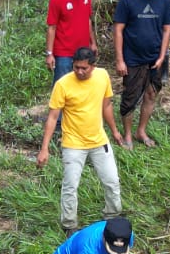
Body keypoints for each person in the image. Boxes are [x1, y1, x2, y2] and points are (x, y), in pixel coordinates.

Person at [37, 46, 124, 233]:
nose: (79, 71)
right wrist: (44, 148)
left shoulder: (102, 76)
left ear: (93, 66)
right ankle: (70, 225)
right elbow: (52, 117)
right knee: (70, 186)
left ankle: (112, 217)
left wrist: (115, 131)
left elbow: (106, 105)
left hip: (99, 140)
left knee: (112, 181)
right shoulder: (63, 84)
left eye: (84, 68)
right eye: (76, 67)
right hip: (73, 144)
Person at [114, 0, 170, 147]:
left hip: (155, 58)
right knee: (130, 97)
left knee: (151, 94)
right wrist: (119, 60)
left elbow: (167, 30)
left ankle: (141, 131)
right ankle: (127, 135)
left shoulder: (164, 1)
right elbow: (118, 30)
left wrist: (162, 56)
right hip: (132, 58)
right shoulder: (128, 1)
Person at [46, 0, 93, 82]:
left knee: (82, 84)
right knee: (62, 85)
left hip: (83, 51)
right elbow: (52, 28)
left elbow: (88, 19)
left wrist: (93, 43)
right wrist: (49, 54)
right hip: (64, 53)